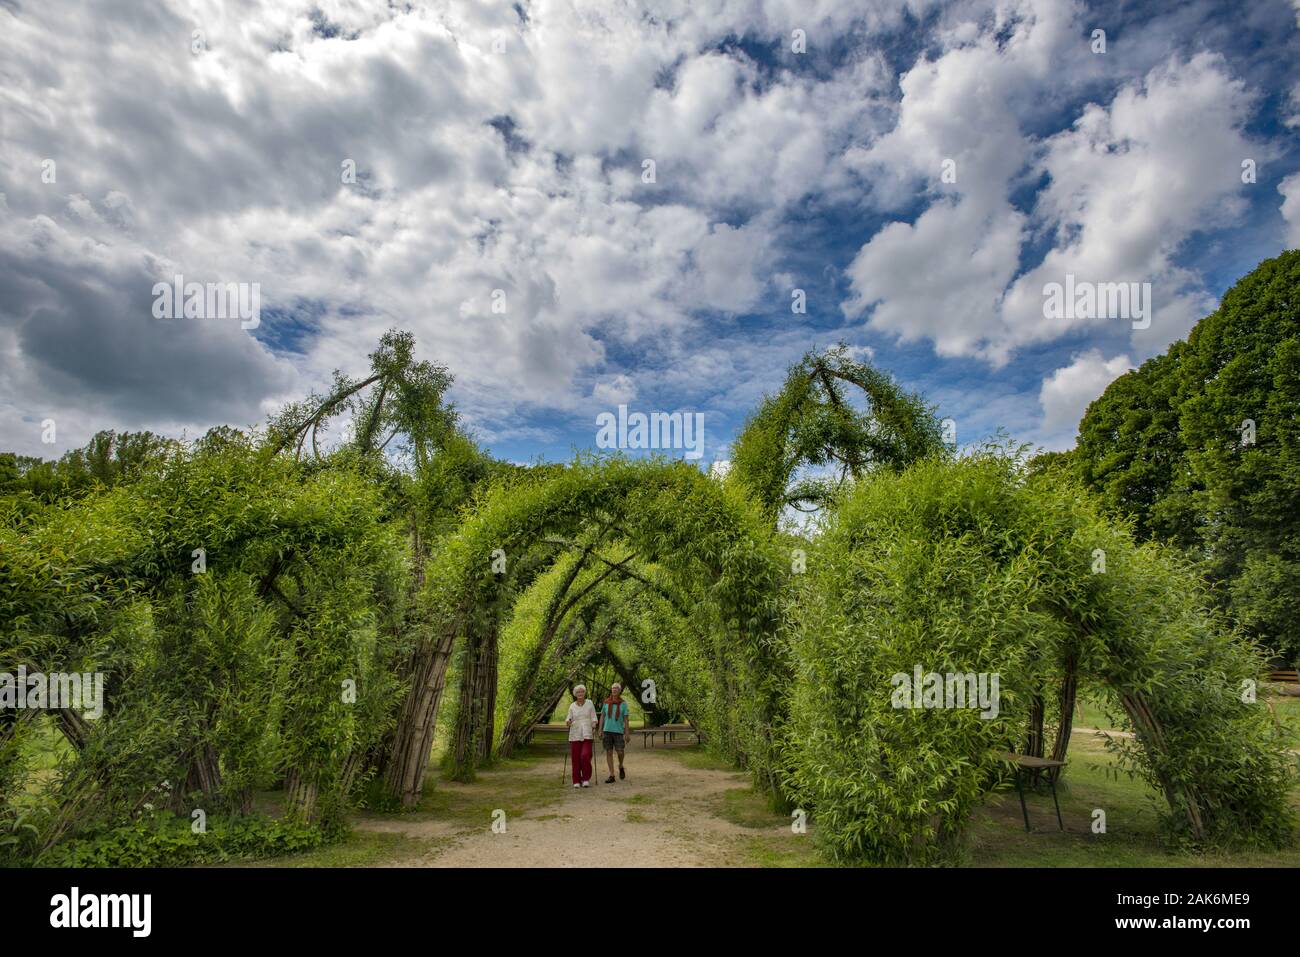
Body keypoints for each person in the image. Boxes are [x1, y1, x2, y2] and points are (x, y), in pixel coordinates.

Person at [565, 684, 597, 788]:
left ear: (584, 693)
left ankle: (586, 778)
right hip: (575, 733)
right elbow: (568, 718)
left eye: (582, 692)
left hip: (587, 732)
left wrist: (594, 724)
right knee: (575, 758)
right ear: (575, 694)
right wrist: (568, 722)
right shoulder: (572, 705)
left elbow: (594, 717)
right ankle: (576, 780)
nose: (580, 694)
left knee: (585, 756)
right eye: (578, 692)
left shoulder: (589, 703)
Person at [600, 682, 630, 782]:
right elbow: (602, 716)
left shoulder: (623, 704)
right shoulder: (606, 702)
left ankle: (621, 765)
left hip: (618, 731)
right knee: (609, 752)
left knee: (620, 751)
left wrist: (627, 733)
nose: (614, 690)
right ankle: (612, 775)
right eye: (613, 688)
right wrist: (600, 730)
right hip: (607, 730)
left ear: (619, 690)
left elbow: (626, 719)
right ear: (611, 690)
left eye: (616, 688)